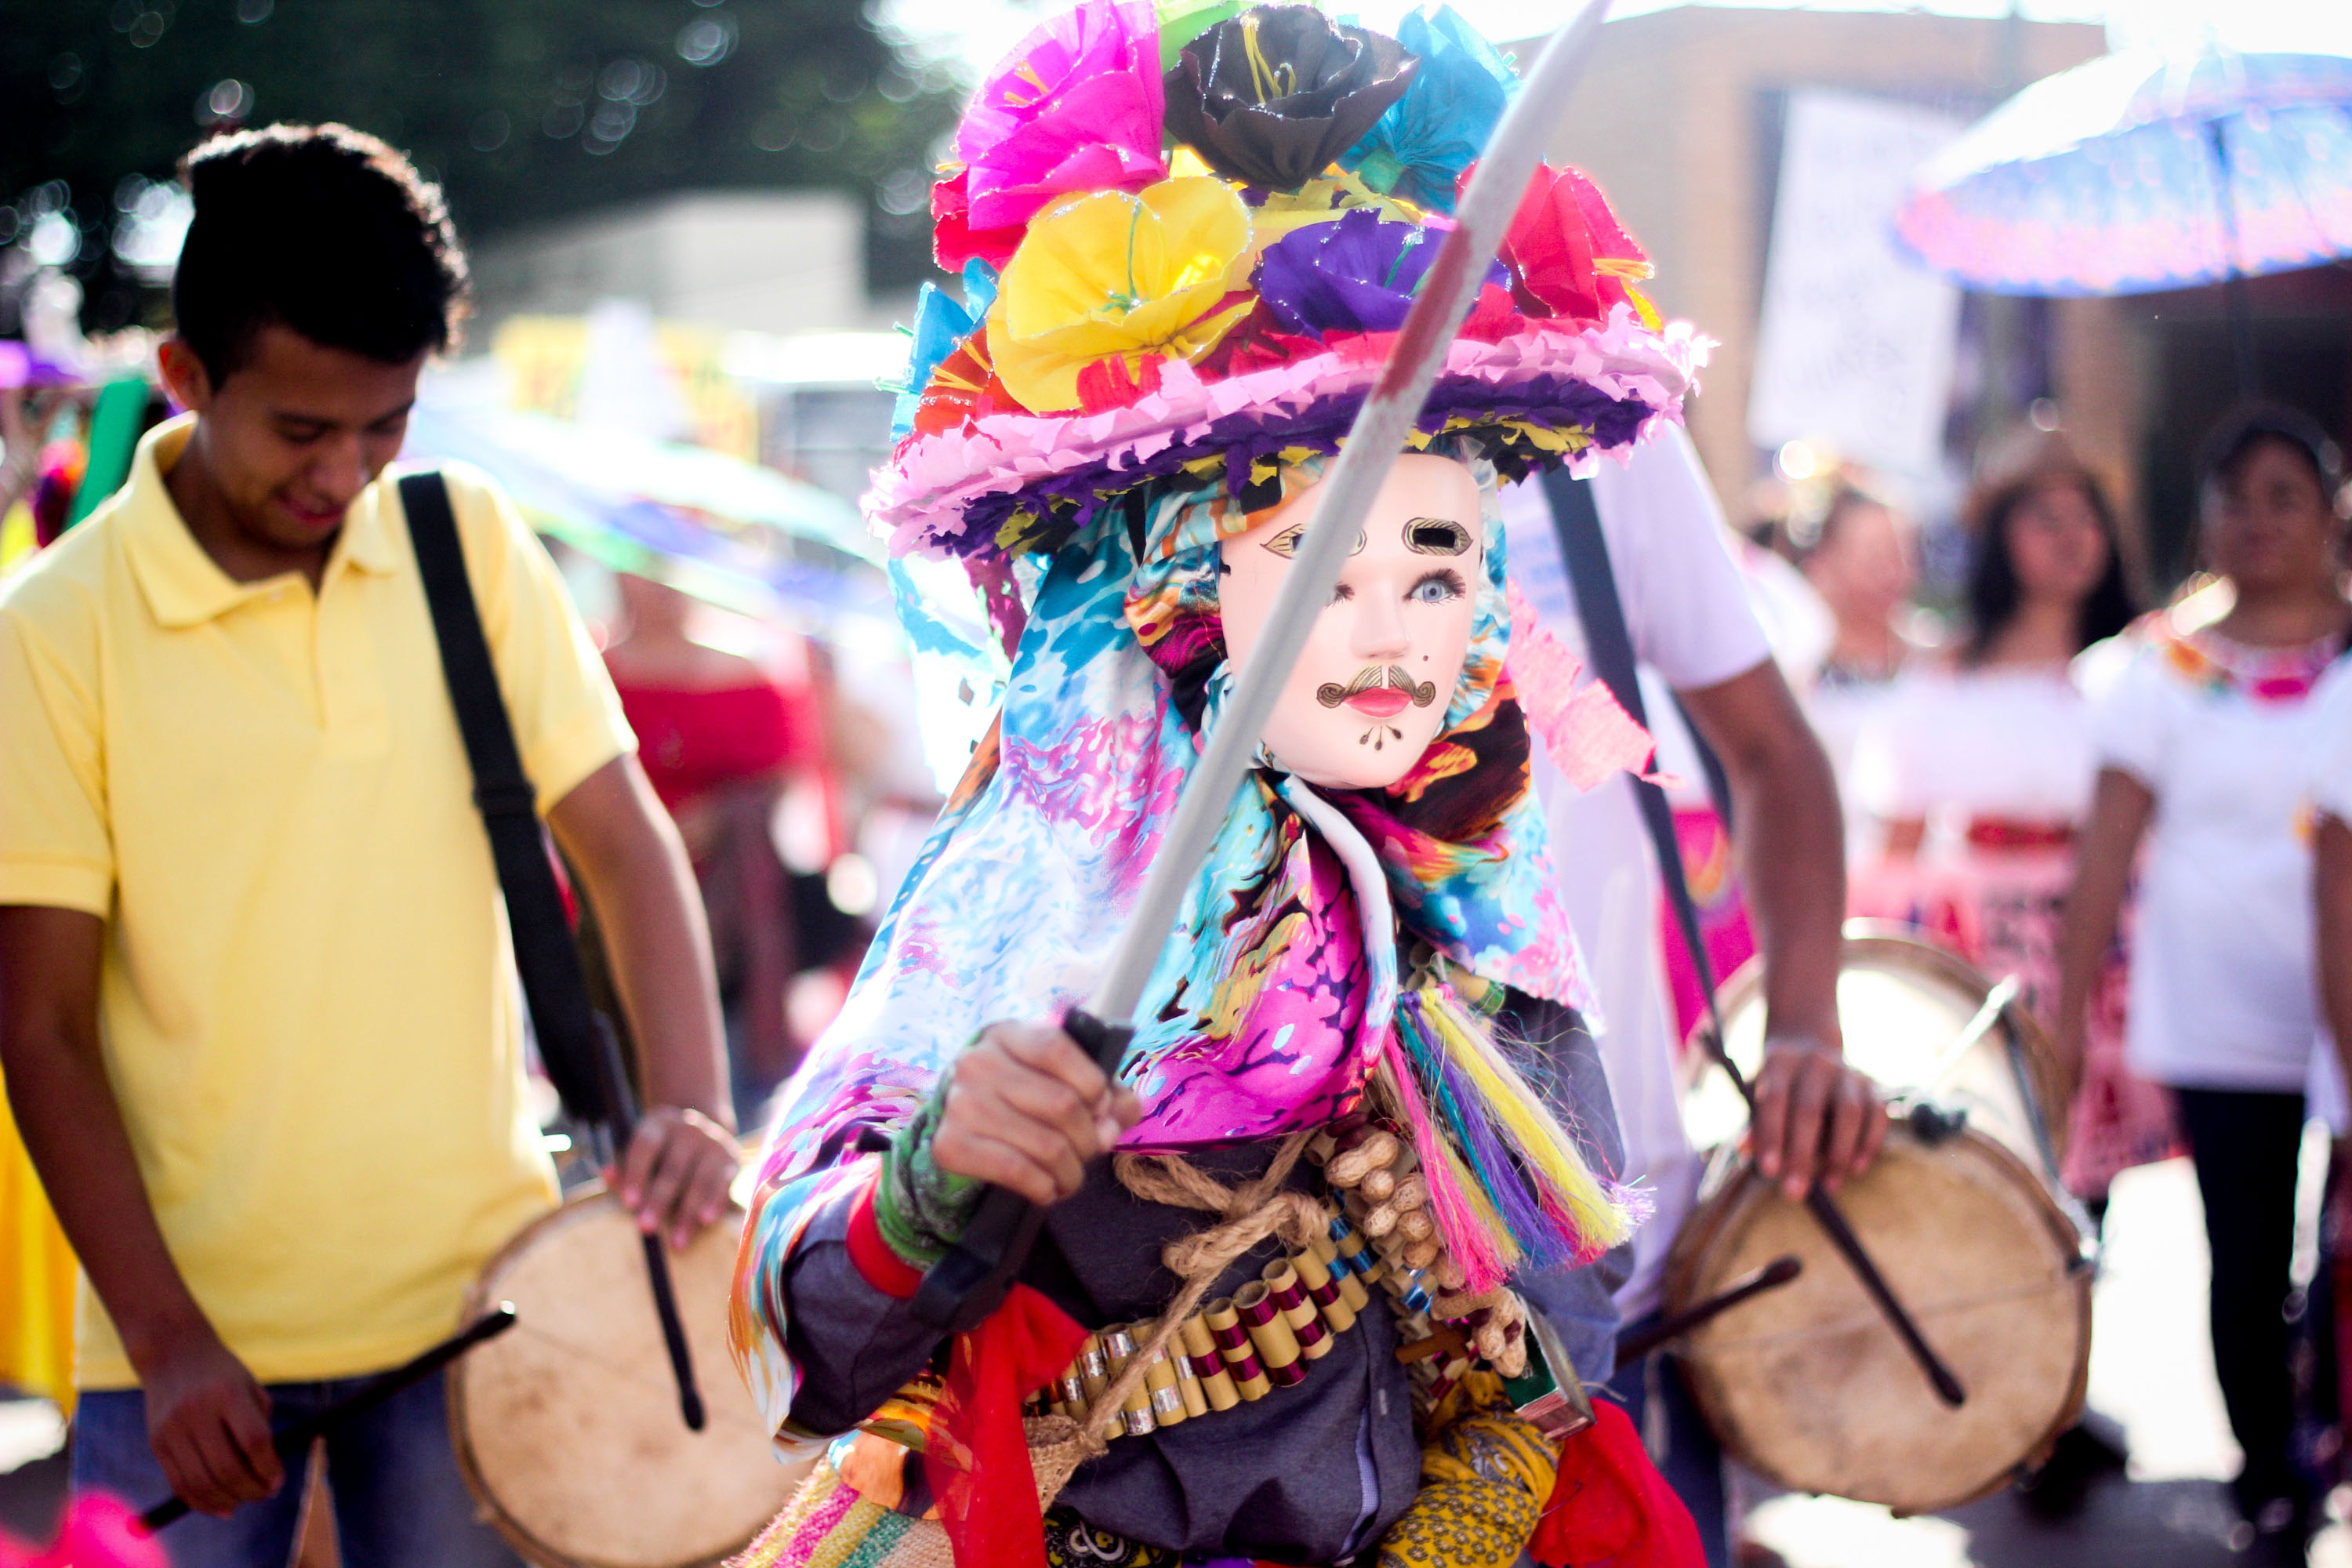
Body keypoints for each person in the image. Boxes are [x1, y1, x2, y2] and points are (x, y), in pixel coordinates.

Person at [725, 6, 1714, 1565]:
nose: (1392, 629)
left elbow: (1553, 1335)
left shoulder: (1472, 886)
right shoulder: (1035, 886)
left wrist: (1485, 1492)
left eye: (1437, 560)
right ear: (1177, 577)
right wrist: (939, 1178)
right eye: (1317, 561)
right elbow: (804, 1320)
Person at [0, 125, 739, 1567]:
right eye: (301, 429)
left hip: (489, 1307)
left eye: (386, 422)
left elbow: (628, 847)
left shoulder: (466, 541)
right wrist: (167, 1340)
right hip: (182, 1358)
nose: (346, 470)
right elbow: (37, 1023)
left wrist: (694, 1105)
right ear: (187, 378)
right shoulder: (52, 630)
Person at [1502, 429, 1879, 1567]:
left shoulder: (1590, 419)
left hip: (1610, 1241)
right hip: (1318, 1254)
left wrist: (1807, 1028)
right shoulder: (1196, 409)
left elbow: (1773, 755)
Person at [2053, 404, 2351, 1563]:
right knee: (2247, 1248)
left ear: (2331, 511)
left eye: (2287, 495)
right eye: (2237, 497)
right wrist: (2067, 1016)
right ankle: (2267, 1471)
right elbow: (2106, 852)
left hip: (2343, 1006)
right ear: (2205, 518)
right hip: (2221, 1009)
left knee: (2340, 1252)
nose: (2260, 519)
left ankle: (2324, 1433)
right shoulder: (2161, 666)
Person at [1850, 436, 2169, 1204]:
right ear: (1999, 540)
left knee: (2091, 1173)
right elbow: (1899, 846)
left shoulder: (2148, 666)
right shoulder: (1947, 676)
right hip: (1982, 941)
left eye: (2086, 517)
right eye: (2045, 518)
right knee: (1990, 1161)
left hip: (2117, 938)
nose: (2070, 536)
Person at [603, 571, 825, 1112]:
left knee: (729, 1060)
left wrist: (719, 818)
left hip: (733, 911)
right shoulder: (593, 673)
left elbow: (784, 775)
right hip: (618, 901)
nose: (663, 584)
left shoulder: (748, 675)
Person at [1794, 484, 1920, 861]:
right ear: (1822, 563)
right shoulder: (1794, 670)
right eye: (1872, 557)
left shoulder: (1936, 663)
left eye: (1899, 555)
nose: (1889, 572)